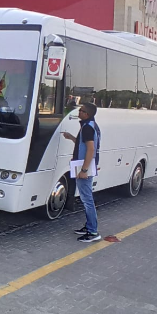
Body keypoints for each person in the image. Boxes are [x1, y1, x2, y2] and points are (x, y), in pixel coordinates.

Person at [61, 102, 101, 243]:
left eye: (82, 110)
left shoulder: (87, 128)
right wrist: (72, 137)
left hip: (84, 168)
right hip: (84, 166)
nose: (79, 112)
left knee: (87, 200)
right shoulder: (90, 125)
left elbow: (90, 149)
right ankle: (89, 227)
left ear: (87, 114)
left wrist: (84, 170)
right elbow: (83, 144)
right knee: (86, 198)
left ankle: (92, 231)